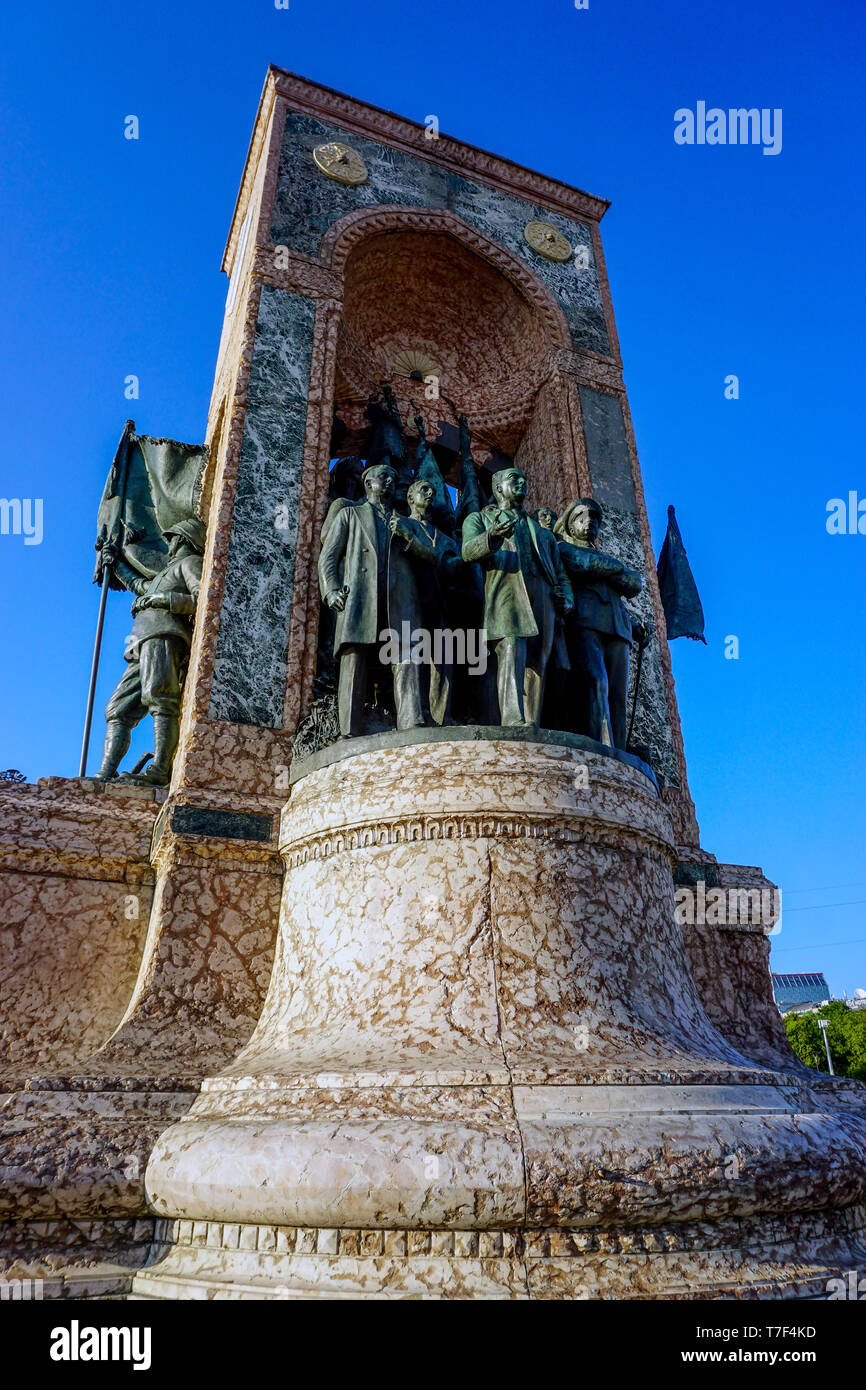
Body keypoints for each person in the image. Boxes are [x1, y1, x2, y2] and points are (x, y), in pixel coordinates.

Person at [95, 517, 205, 784]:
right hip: (140, 642)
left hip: (164, 633)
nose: (167, 543)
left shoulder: (190, 563)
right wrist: (115, 562)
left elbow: (204, 597)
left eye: (170, 538)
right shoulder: (166, 573)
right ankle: (105, 772)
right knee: (117, 709)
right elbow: (139, 586)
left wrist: (162, 600)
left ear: (181, 539)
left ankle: (160, 770)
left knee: (160, 700)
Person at [319, 463, 426, 736]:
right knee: (354, 660)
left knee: (406, 657)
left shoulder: (405, 522)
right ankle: (349, 730)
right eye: (384, 477)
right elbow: (328, 557)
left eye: (393, 478)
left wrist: (407, 535)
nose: (390, 482)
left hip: (398, 602)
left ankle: (411, 723)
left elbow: (427, 559)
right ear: (368, 483)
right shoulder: (349, 515)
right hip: (359, 598)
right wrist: (330, 590)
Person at [462, 467, 572, 726]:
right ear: (498, 488)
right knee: (511, 650)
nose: (522, 482)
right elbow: (467, 551)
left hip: (542, 598)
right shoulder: (479, 519)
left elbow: (560, 573)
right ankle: (512, 719)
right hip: (506, 593)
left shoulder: (542, 533)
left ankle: (531, 722)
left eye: (524, 479)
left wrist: (567, 598)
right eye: (514, 479)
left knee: (537, 663)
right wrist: (492, 536)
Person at [554, 497, 642, 749]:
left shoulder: (601, 558)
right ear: (570, 524)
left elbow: (634, 584)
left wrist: (607, 569)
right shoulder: (562, 548)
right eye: (582, 515)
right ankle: (600, 747)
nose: (589, 521)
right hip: (584, 622)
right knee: (596, 681)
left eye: (594, 517)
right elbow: (582, 564)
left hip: (617, 627)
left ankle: (618, 751)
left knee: (617, 696)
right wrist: (617, 569)